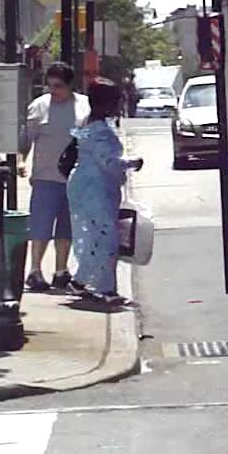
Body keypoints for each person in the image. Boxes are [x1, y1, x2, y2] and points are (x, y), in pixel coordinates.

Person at [66, 78, 142, 305]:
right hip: (95, 188)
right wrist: (132, 162)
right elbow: (108, 162)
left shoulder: (85, 123)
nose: (119, 106)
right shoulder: (100, 130)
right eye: (116, 102)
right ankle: (106, 288)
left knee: (93, 236)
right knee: (105, 237)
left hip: (86, 185)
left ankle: (81, 281)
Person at [20, 62, 89, 291]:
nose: (53, 91)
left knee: (66, 228)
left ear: (70, 85)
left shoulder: (84, 107)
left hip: (75, 179)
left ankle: (61, 270)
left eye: (58, 86)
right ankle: (35, 270)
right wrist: (22, 161)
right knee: (40, 226)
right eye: (49, 86)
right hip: (45, 176)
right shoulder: (39, 107)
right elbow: (26, 139)